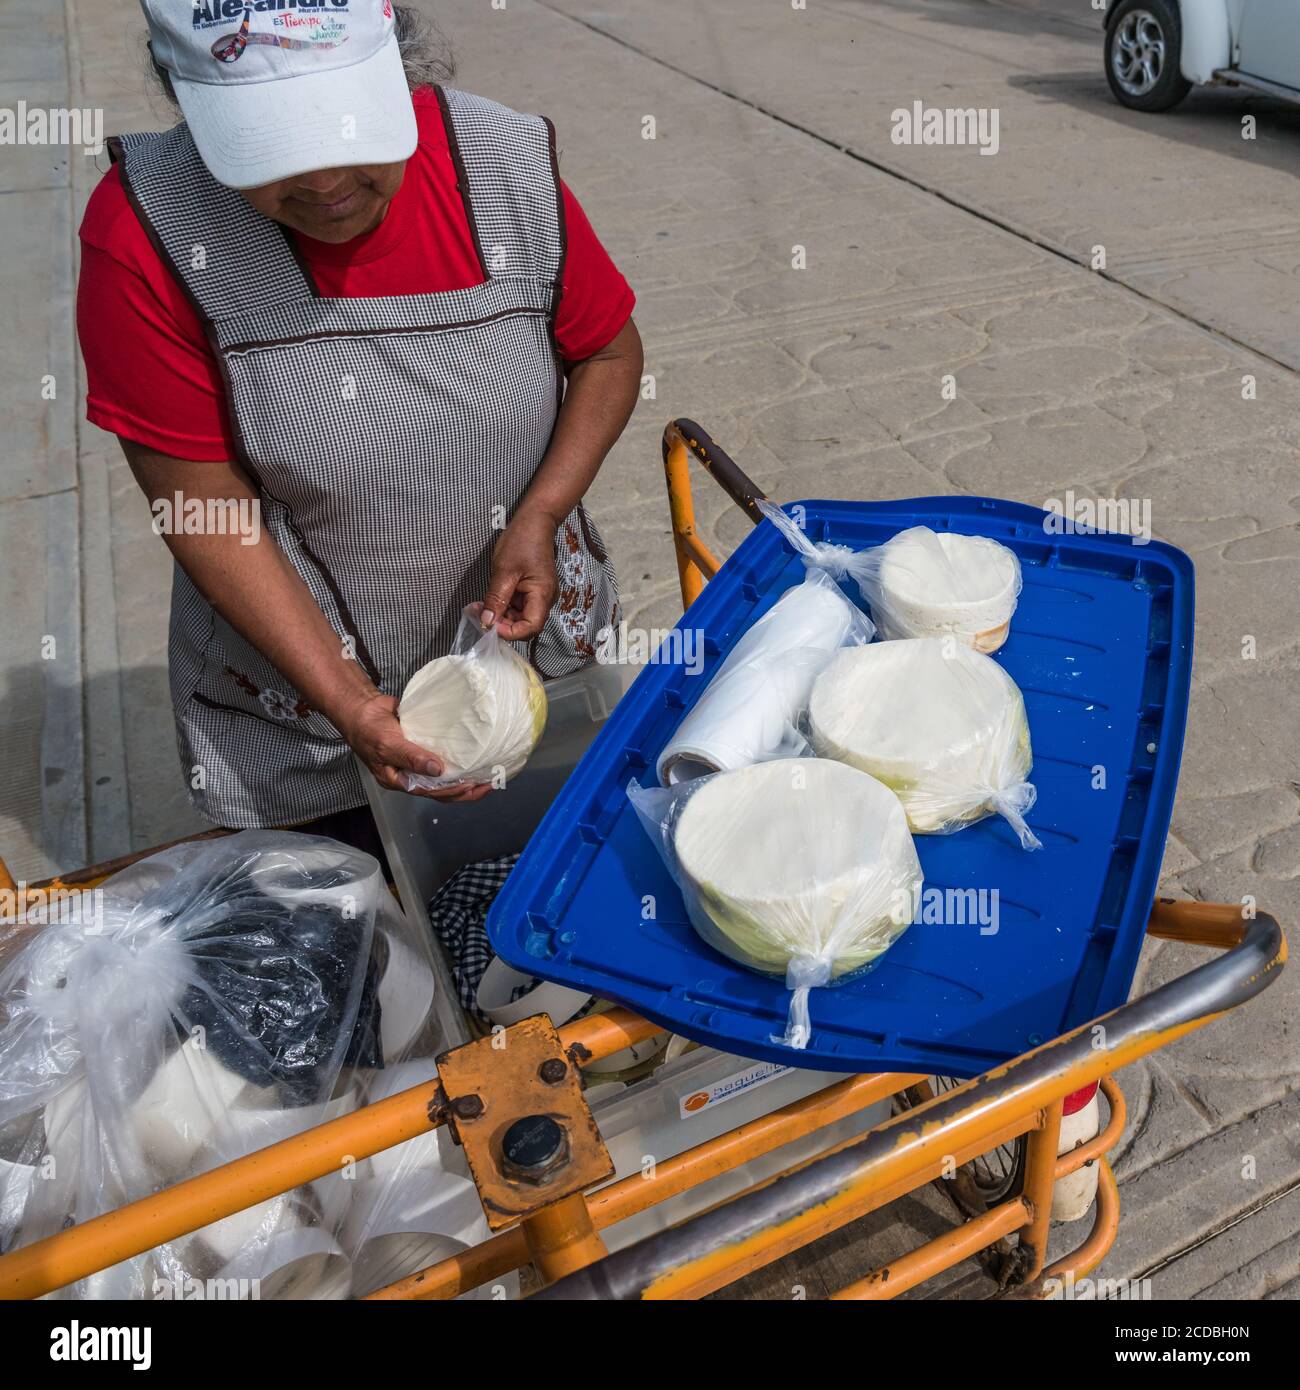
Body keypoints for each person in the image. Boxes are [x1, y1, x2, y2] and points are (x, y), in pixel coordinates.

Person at [76, 2, 642, 853]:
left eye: (350, 134)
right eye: (268, 155)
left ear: (398, 65)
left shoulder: (501, 164)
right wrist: (342, 698)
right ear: (187, 103)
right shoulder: (147, 230)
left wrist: (540, 513)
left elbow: (607, 354)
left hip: (528, 657)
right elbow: (204, 505)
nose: (325, 184)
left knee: (551, 875)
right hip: (297, 696)